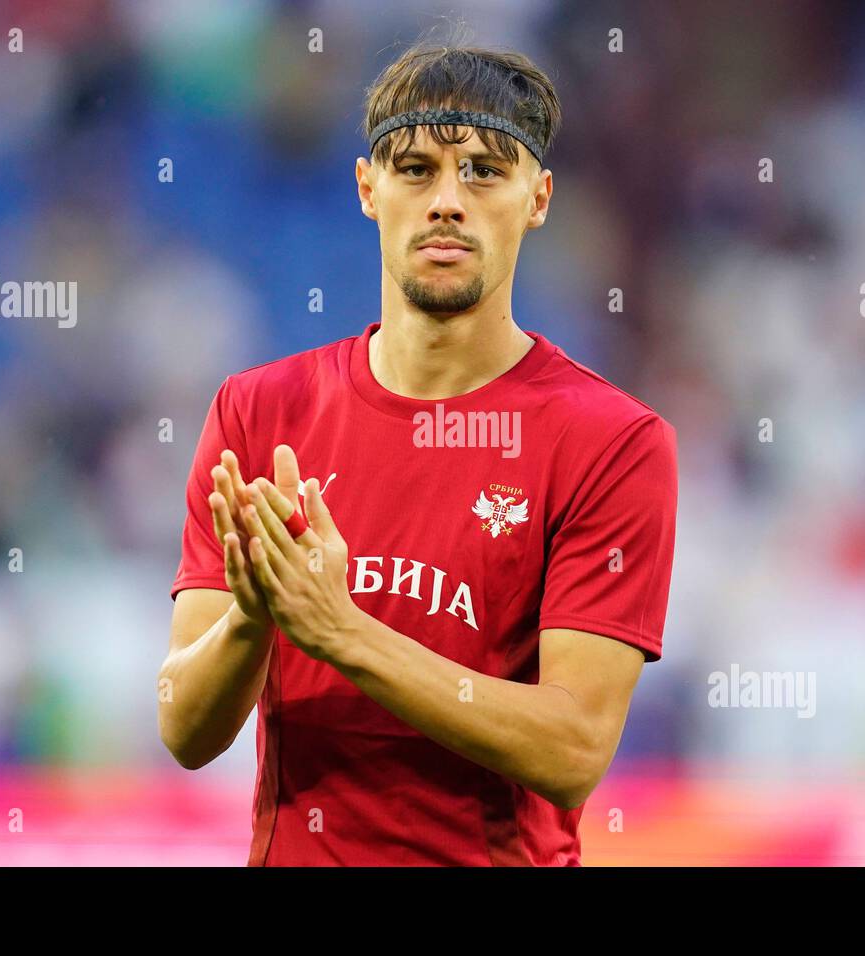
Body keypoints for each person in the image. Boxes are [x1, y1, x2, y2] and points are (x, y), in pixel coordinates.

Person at [158, 43, 678, 865]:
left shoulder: (610, 441)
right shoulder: (259, 412)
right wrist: (256, 614)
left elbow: (574, 750)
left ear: (537, 199)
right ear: (368, 188)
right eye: (415, 170)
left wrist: (342, 633)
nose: (446, 201)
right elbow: (185, 730)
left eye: (481, 171)